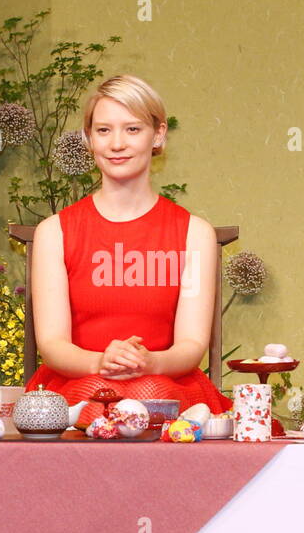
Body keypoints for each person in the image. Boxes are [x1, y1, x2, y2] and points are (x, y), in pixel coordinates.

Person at [27, 75, 231, 426]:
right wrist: (99, 363)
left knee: (147, 394)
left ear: (159, 135)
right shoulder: (54, 232)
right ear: (89, 139)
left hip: (165, 382)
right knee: (102, 398)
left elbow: (191, 344)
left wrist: (150, 363)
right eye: (104, 130)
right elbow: (53, 343)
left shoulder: (194, 234)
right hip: (79, 384)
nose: (117, 143)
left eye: (133, 129)